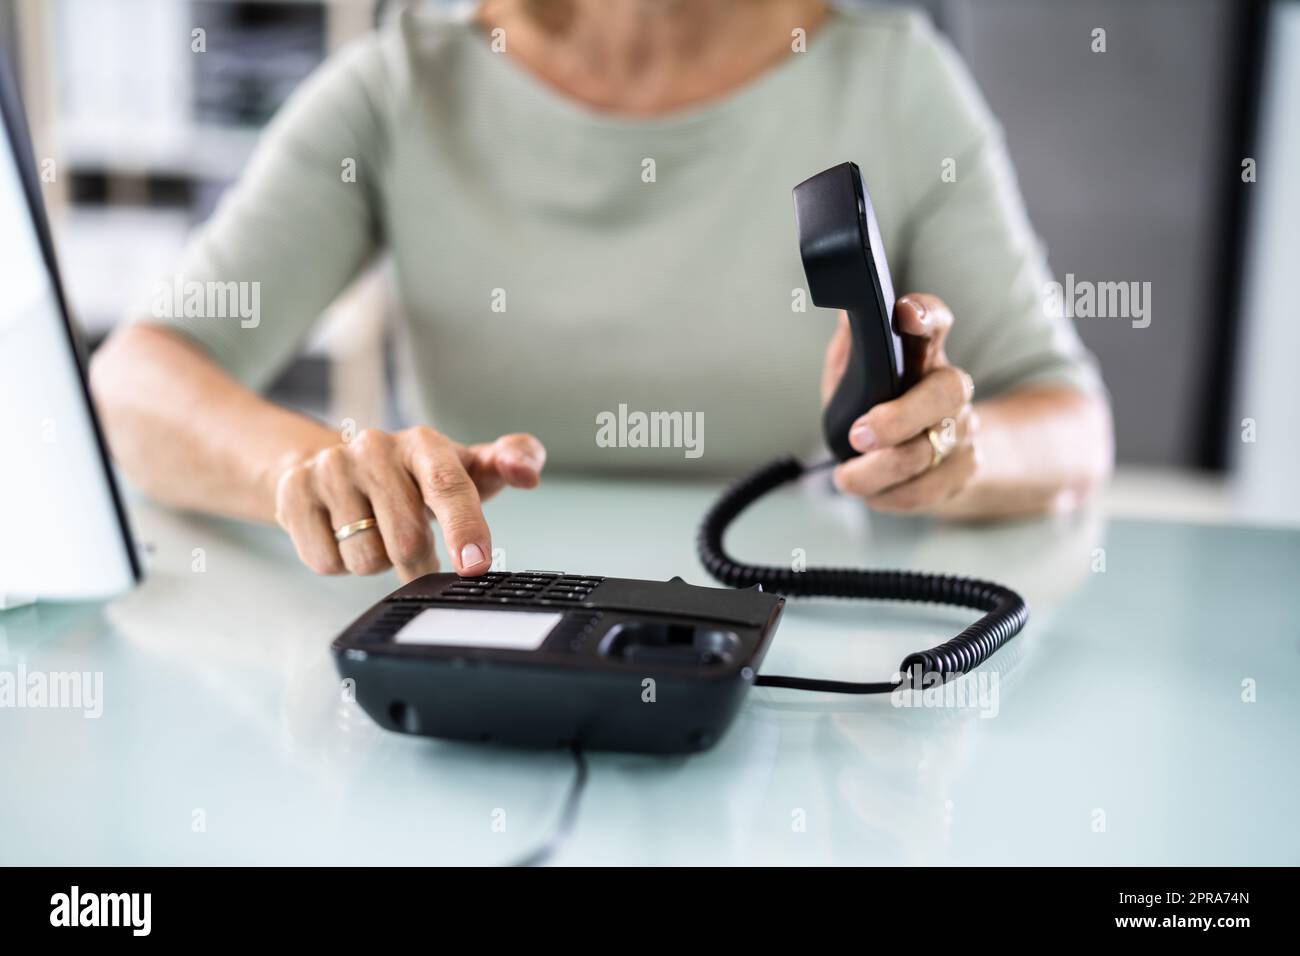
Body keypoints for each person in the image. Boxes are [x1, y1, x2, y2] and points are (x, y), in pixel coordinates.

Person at [90, 0, 1113, 583]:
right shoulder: (404, 81)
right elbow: (133, 382)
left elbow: (1070, 421)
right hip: (496, 629)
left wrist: (953, 455)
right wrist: (310, 470)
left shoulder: (894, 78)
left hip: (811, 639)